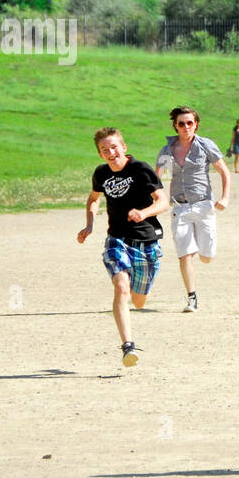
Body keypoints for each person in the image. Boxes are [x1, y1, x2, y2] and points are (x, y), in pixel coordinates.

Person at [77, 127, 169, 367]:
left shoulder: (141, 169)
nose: (110, 152)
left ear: (124, 147)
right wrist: (89, 224)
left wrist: (143, 213)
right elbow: (93, 198)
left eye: (114, 147)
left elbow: (163, 202)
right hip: (117, 239)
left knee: (139, 300)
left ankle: (141, 295)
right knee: (121, 287)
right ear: (100, 154)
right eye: (104, 150)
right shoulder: (101, 174)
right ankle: (128, 345)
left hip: (147, 240)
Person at [155, 106, 230, 313]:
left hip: (204, 206)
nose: (186, 127)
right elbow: (157, 178)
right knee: (184, 254)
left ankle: (198, 248)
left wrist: (225, 197)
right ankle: (192, 297)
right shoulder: (166, 150)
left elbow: (224, 171)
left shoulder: (206, 146)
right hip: (180, 208)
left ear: (196, 124)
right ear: (175, 126)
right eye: (181, 123)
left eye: (190, 123)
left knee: (206, 257)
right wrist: (153, 200)